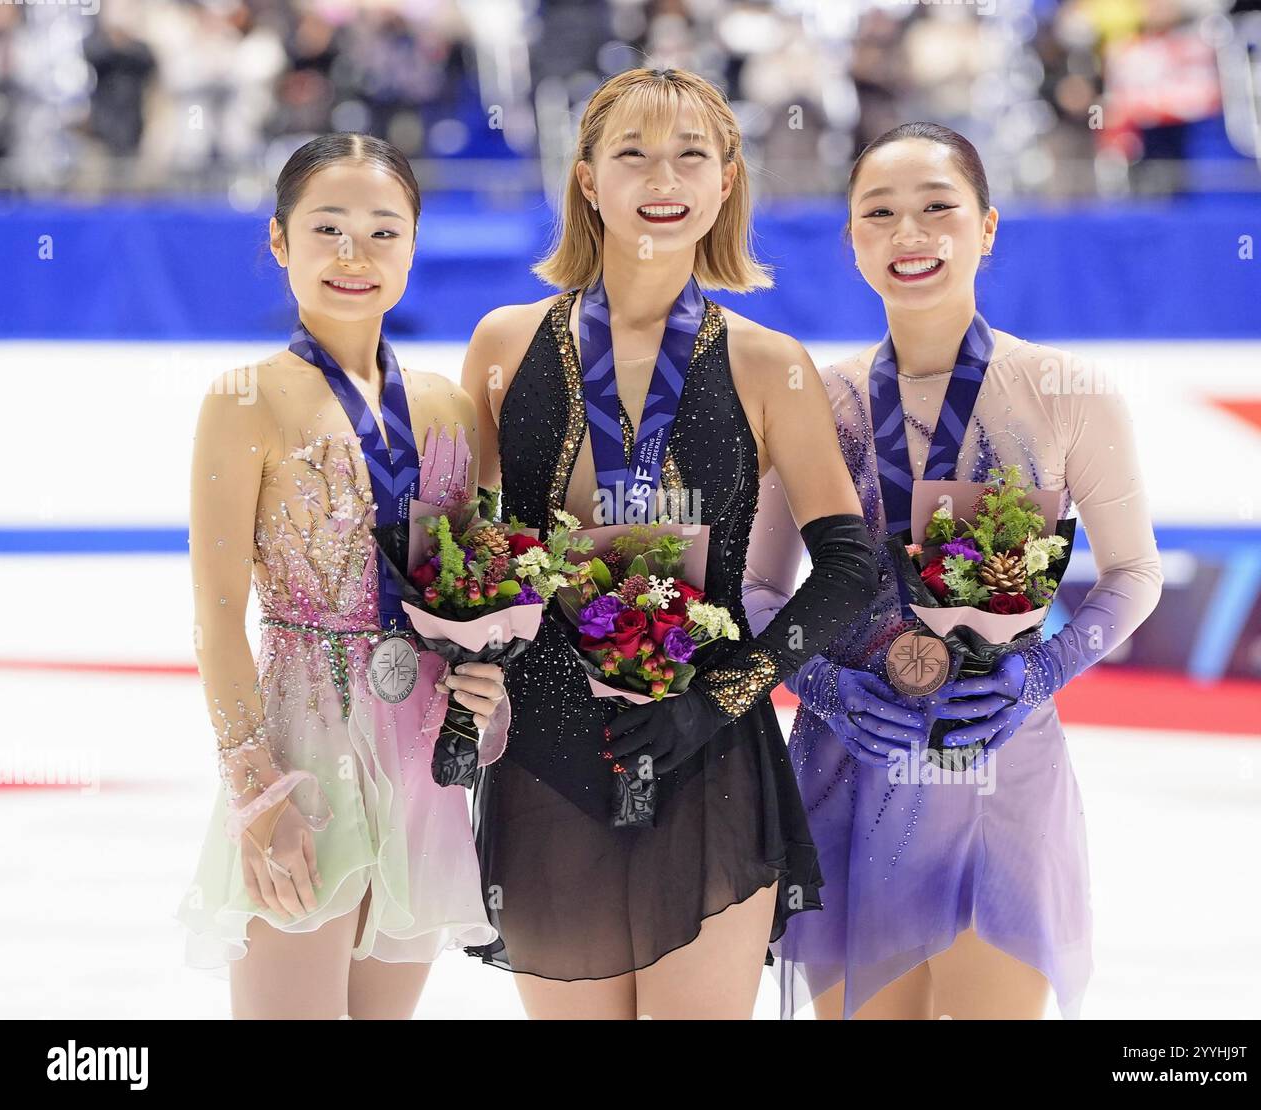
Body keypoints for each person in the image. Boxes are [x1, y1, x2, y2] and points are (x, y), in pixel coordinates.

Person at [460, 67, 880, 1019]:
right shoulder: (503, 344)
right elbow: (468, 554)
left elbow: (849, 570)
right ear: (586, 178)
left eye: (692, 154)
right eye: (634, 152)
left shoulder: (772, 364)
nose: (665, 175)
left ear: (726, 182)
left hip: (709, 757)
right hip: (544, 752)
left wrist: (721, 698)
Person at [745, 122, 1164, 1021]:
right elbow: (757, 590)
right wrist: (823, 688)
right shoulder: (815, 401)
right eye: (880, 213)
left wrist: (1040, 672)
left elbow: (1133, 573)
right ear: (852, 240)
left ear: (987, 228)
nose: (910, 234)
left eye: (938, 208)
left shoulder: (1066, 392)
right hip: (852, 757)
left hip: (1000, 755)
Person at [175, 133, 509, 1019]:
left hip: (421, 753)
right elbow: (215, 621)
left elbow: (471, 593)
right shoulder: (245, 397)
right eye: (327, 229)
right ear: (281, 242)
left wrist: (484, 678)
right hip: (303, 750)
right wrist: (259, 794)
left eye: (383, 231)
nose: (354, 256)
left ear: (413, 244)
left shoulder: (447, 404)